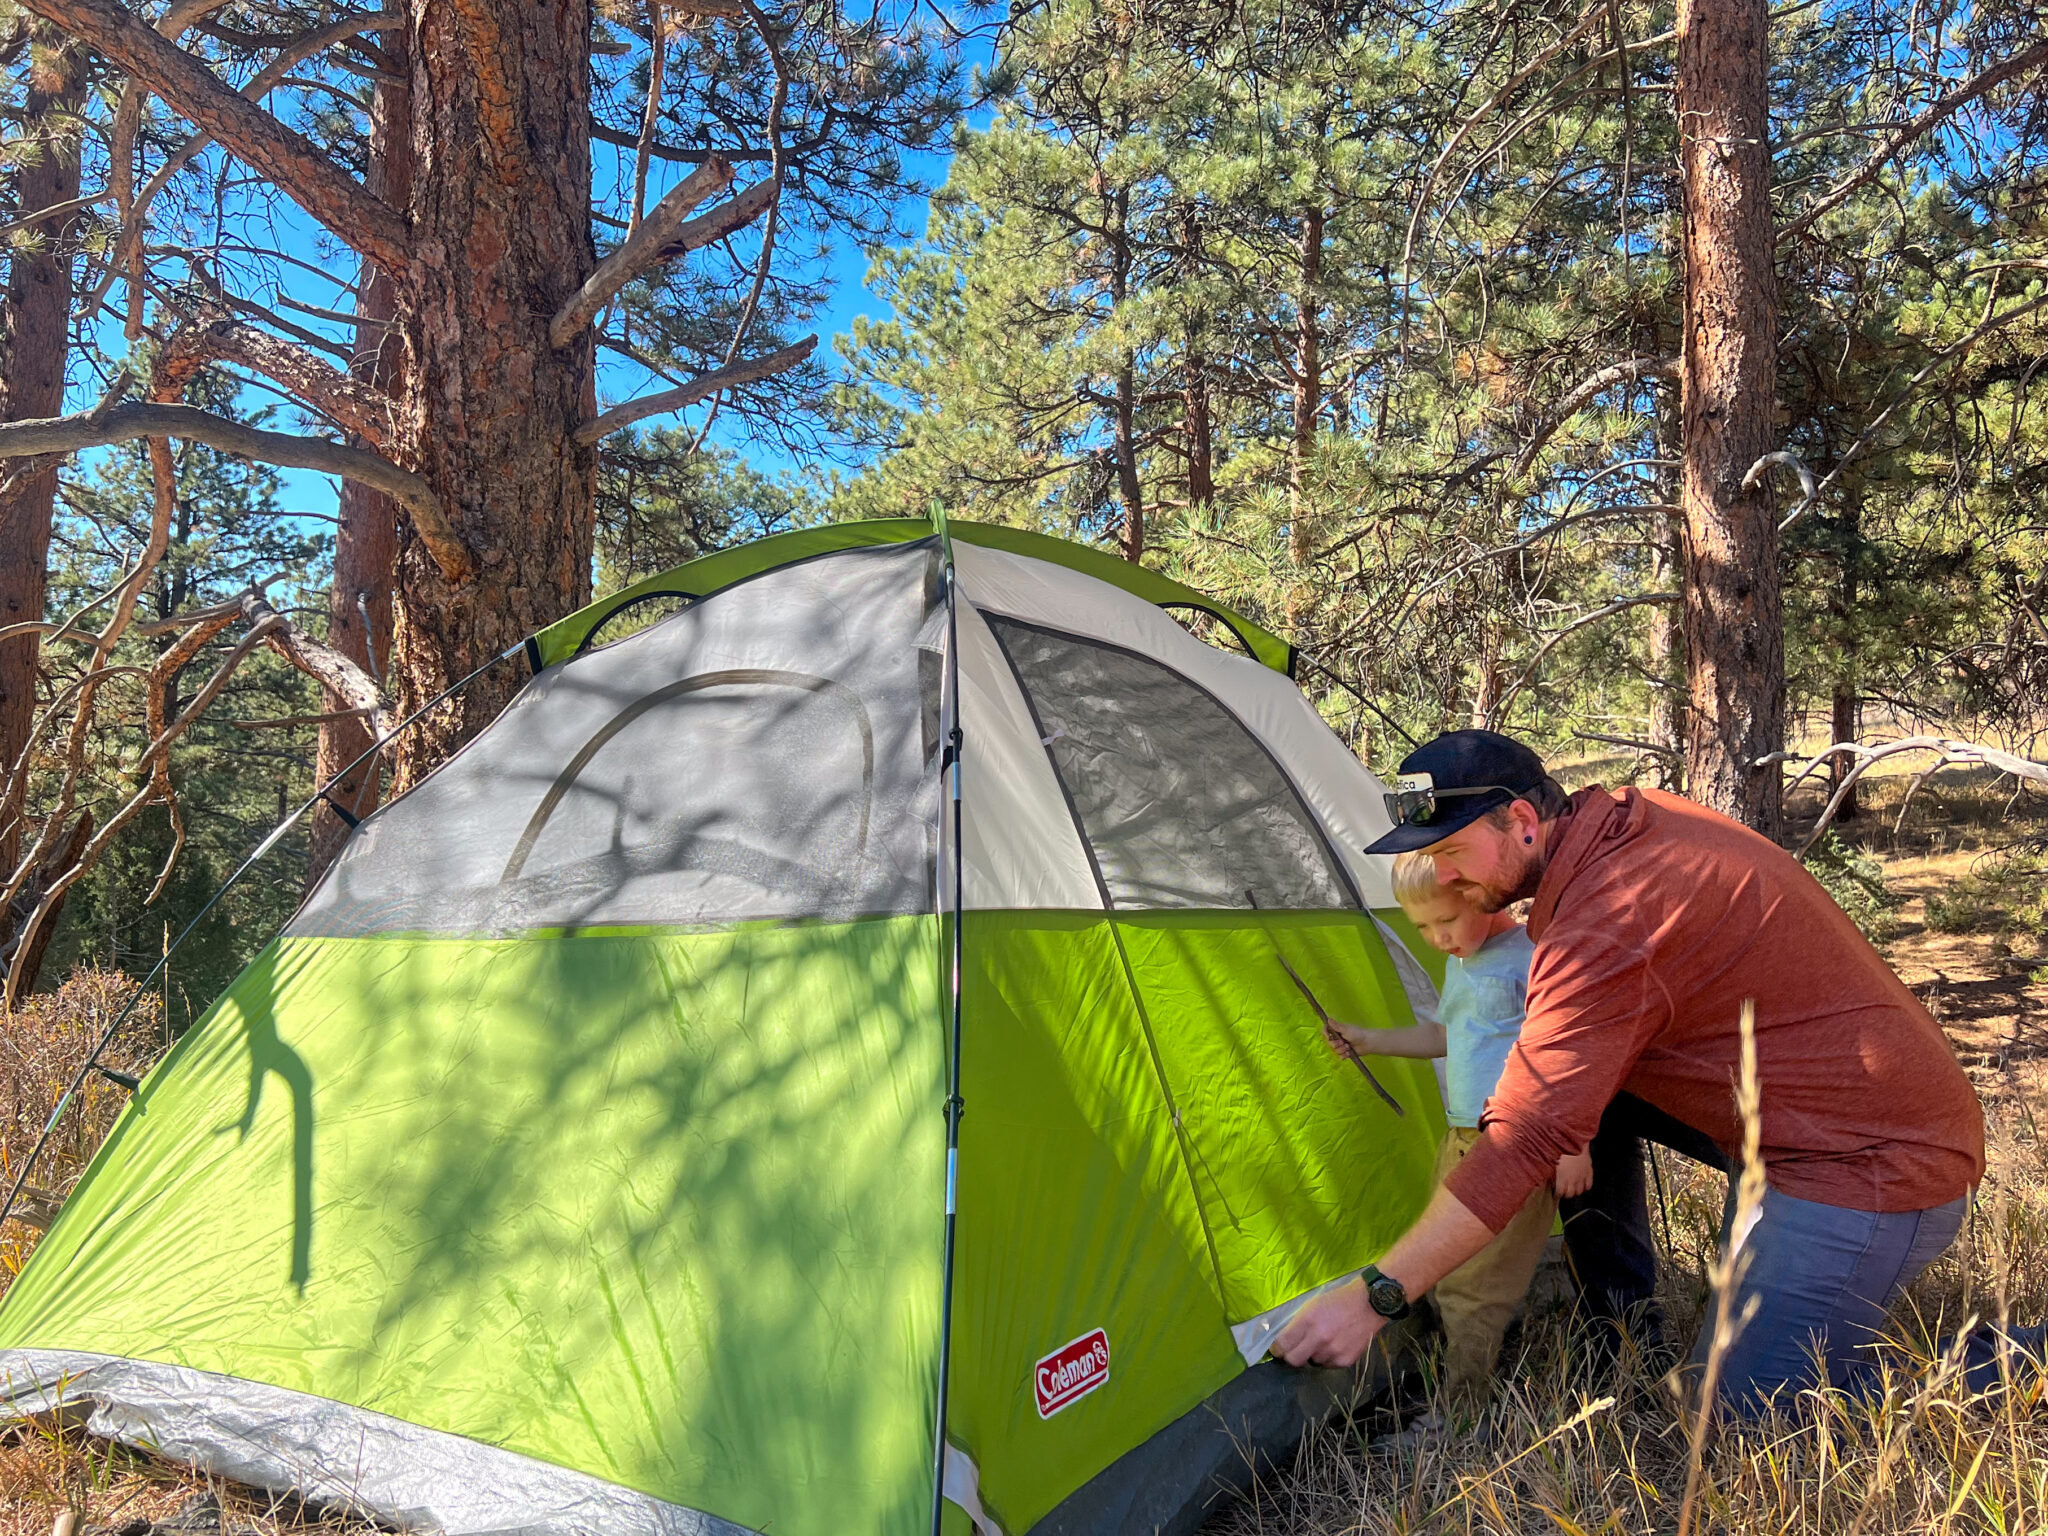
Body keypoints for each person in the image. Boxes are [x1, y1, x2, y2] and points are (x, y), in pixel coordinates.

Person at [1276, 730, 1988, 1415]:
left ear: (1523, 821)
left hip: (1866, 1161)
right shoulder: (1619, 824)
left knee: (1746, 1408)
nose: (1448, 876)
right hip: (1811, 1118)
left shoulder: (1608, 915)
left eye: (1454, 851)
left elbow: (1522, 1136)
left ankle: (2020, 1361)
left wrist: (1376, 1295)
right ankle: (1620, 1327)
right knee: (1586, 1089)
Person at [1328, 852, 1591, 1411]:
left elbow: (1571, 1055)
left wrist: (1575, 1145)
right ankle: (1449, 1376)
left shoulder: (1531, 956)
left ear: (1481, 895)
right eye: (1421, 927)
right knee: (1445, 1268)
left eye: (1445, 921)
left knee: (1477, 1289)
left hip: (1516, 1147)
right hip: (1460, 1142)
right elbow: (1444, 1037)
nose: (1436, 938)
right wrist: (1370, 1041)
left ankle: (1462, 1415)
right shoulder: (1461, 964)